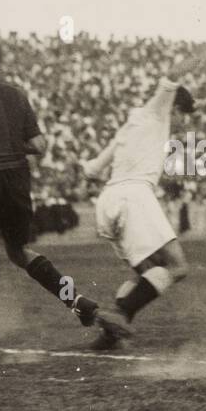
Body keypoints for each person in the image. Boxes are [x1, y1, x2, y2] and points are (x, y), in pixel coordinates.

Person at [0, 39, 111, 352]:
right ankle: (78, 302)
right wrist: (14, 144)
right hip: (15, 178)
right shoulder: (16, 95)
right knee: (19, 251)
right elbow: (40, 145)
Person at [81, 76, 196, 349]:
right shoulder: (156, 114)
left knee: (145, 274)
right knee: (178, 267)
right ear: (174, 108)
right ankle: (119, 314)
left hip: (108, 202)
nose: (184, 122)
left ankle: (109, 336)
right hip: (134, 198)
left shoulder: (129, 128)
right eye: (184, 115)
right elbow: (170, 80)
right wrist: (197, 58)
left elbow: (92, 170)